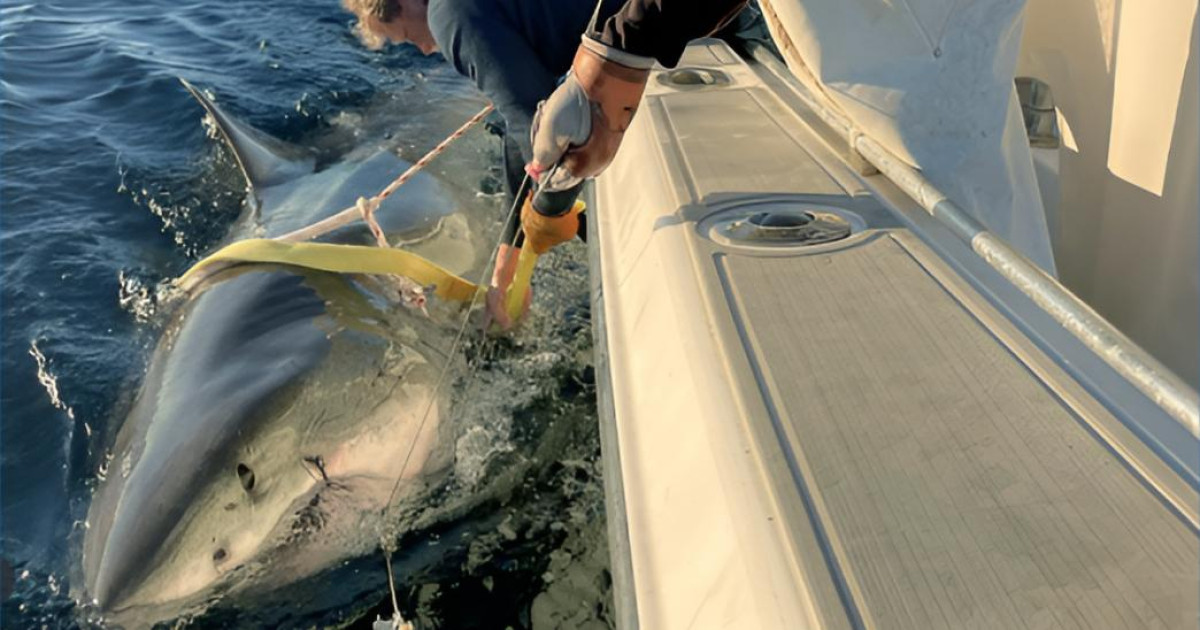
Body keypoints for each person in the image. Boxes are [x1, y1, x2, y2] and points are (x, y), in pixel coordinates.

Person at [341, 0, 750, 327]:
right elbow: (522, 122)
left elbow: (541, 132)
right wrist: (510, 254)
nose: (425, 49)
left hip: (696, 26)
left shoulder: (447, 16)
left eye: (407, 38)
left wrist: (551, 216)